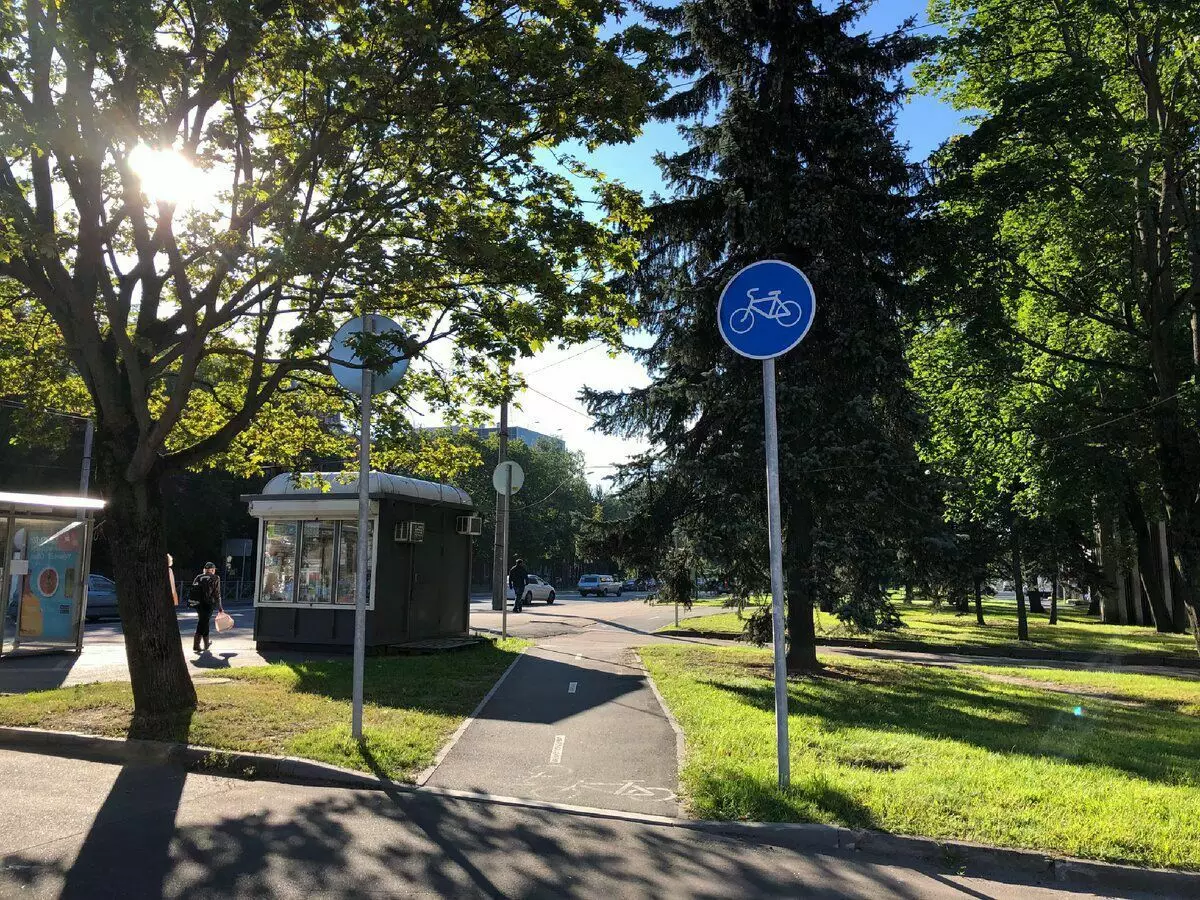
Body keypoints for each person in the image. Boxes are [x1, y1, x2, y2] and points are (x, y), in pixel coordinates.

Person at [189, 561, 223, 653]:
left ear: (204, 570)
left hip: (198, 604)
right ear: (212, 570)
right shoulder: (215, 578)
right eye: (213, 569)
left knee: (204, 621)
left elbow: (193, 590)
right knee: (203, 622)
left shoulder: (198, 577)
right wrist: (220, 607)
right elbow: (217, 593)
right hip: (209, 604)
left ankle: (206, 644)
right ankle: (196, 645)